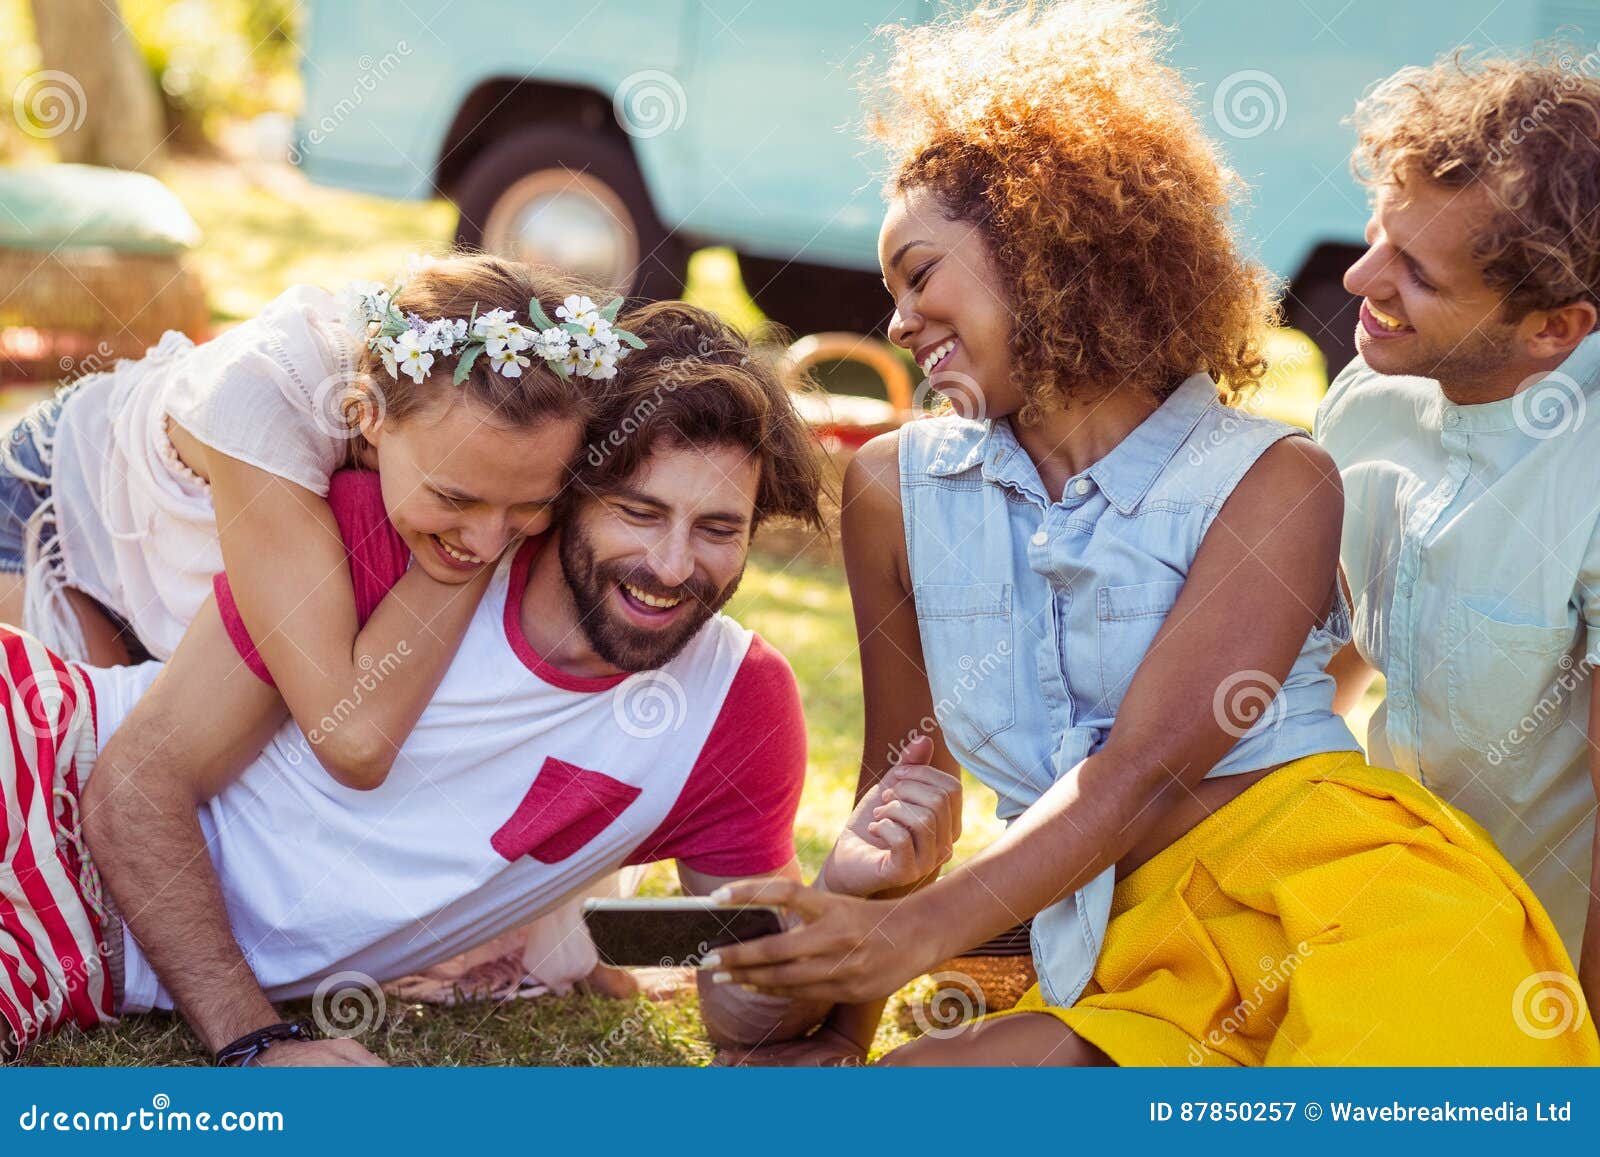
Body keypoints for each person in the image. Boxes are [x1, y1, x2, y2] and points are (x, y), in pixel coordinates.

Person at [710, 0, 1597, 1066]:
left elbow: (1144, 771)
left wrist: (903, 939)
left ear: (1047, 255)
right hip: (1129, 940)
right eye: (1374, 242)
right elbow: (900, 790)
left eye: (918, 276)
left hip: (1351, 901)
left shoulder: (1278, 477)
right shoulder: (898, 488)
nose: (896, 321)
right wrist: (844, 1019)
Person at [0, 302, 961, 1064]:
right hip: (37, 758)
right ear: (565, 496)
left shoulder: (738, 705)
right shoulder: (395, 532)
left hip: (72, 948)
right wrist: (255, 1039)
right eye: (639, 510)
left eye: (717, 528)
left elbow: (738, 1018)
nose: (673, 565)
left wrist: (840, 889)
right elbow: (132, 785)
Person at [1314, 50, 1600, 1010]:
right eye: (1376, 235)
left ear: (1553, 330)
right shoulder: (1366, 400)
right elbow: (1336, 652)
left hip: (1545, 968)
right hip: (1395, 916)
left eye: (1417, 272)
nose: (1358, 277)